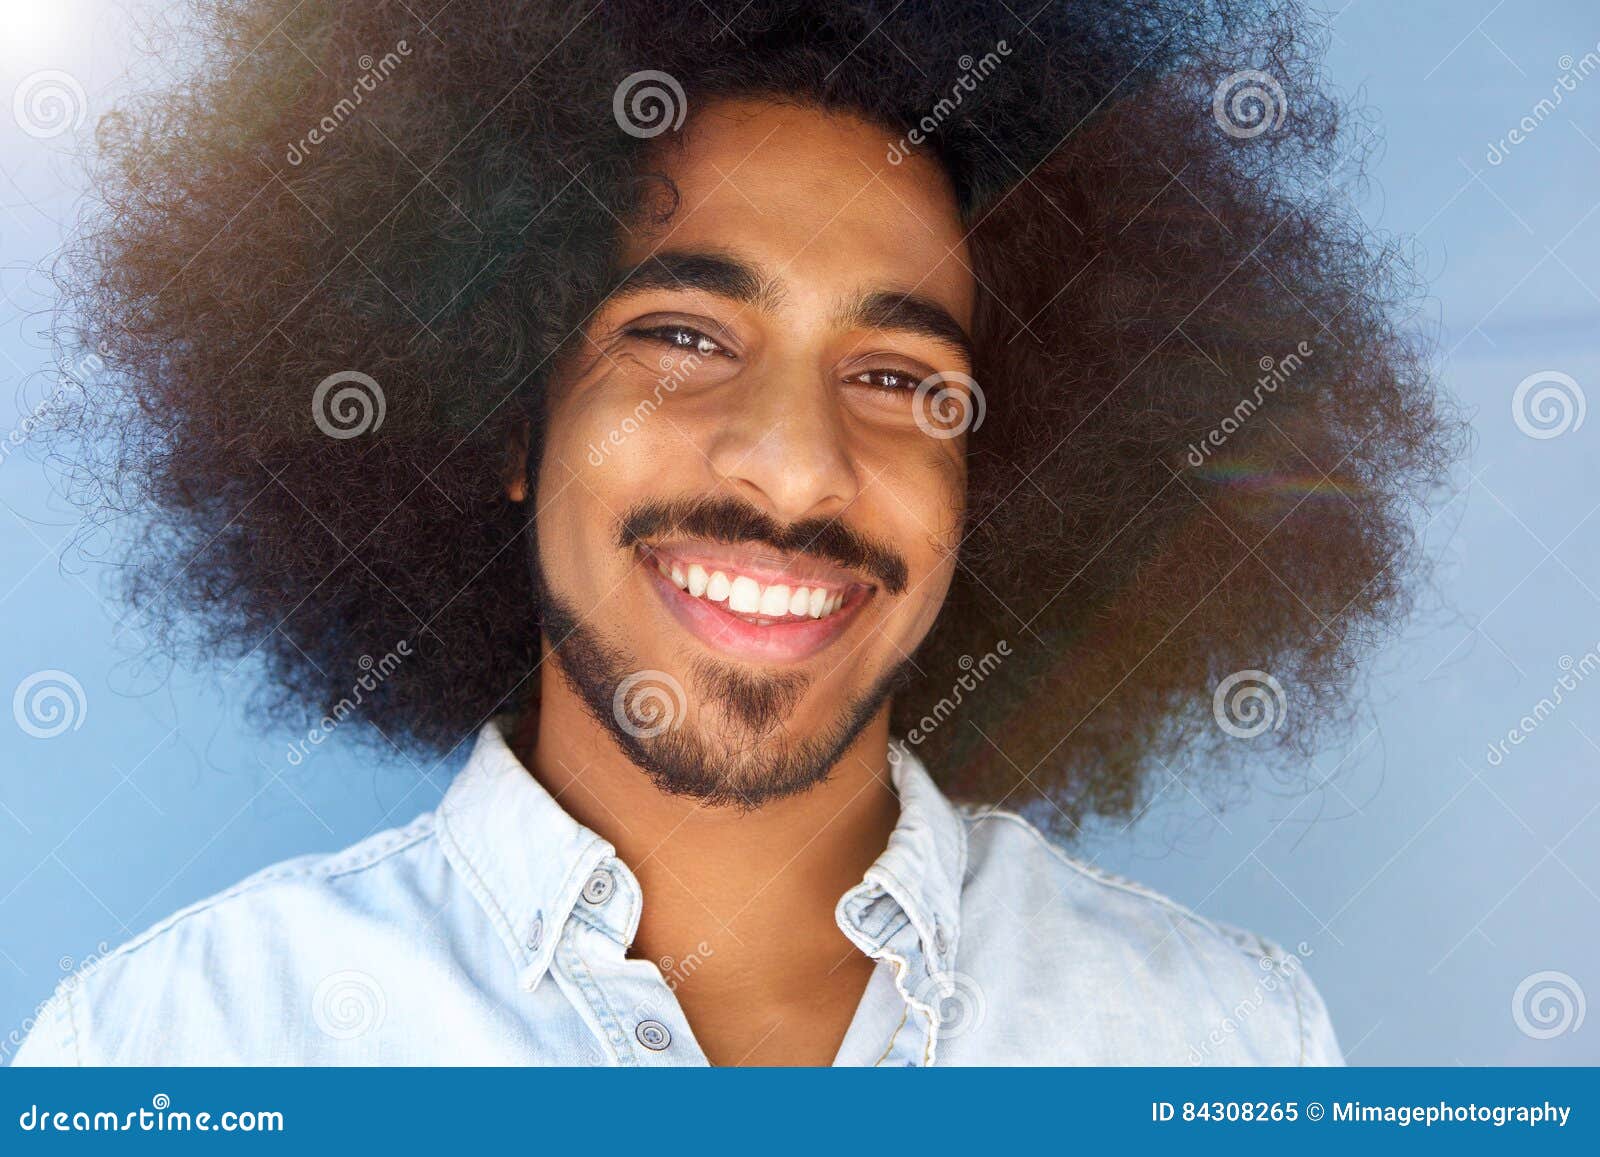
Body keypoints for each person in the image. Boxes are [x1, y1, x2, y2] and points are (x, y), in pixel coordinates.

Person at [16, 0, 1455, 1065]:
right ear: (507, 417)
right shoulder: (180, 1046)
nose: (794, 470)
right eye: (687, 333)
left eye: (899, 377)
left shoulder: (1221, 1046)